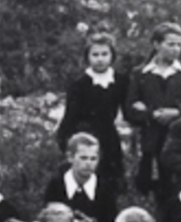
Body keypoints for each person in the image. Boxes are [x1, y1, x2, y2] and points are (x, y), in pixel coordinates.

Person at [54, 35, 131, 209]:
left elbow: (127, 110)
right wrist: (67, 142)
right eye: (95, 55)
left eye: (105, 54)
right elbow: (70, 117)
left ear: (112, 56)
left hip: (109, 139)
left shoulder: (120, 81)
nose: (100, 59)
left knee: (108, 185)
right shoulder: (79, 85)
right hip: (85, 136)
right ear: (87, 57)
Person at [124, 24, 181, 205]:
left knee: (176, 188)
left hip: (177, 141)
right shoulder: (141, 73)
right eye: (171, 44)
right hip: (150, 140)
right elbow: (130, 108)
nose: (176, 49)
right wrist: (152, 114)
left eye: (179, 45)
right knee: (149, 188)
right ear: (156, 44)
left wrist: (177, 112)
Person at [42, 130, 112, 222]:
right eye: (83, 158)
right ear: (70, 157)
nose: (88, 163)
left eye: (93, 159)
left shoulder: (104, 189)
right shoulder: (56, 186)